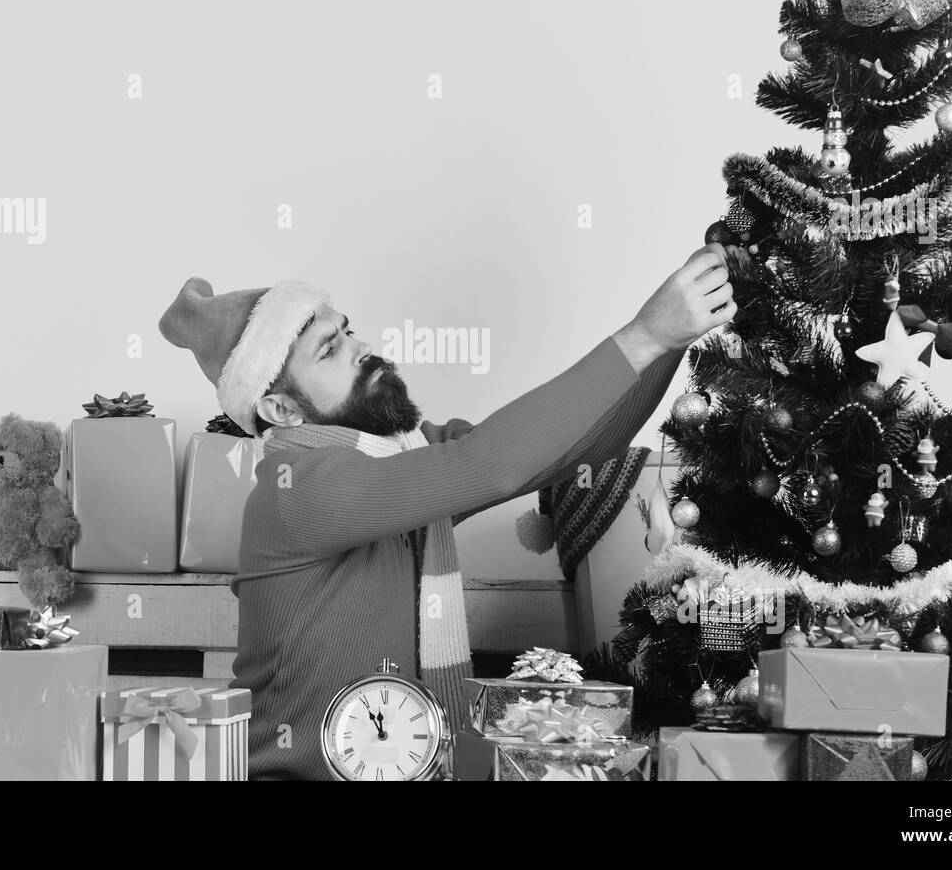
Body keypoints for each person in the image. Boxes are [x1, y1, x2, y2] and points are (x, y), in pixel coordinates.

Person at [158, 242, 736, 779]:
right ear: (280, 408)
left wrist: (670, 341)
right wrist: (644, 335)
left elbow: (569, 453)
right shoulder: (296, 489)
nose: (362, 349)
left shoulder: (405, 458)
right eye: (330, 350)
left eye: (348, 332)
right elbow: (492, 463)